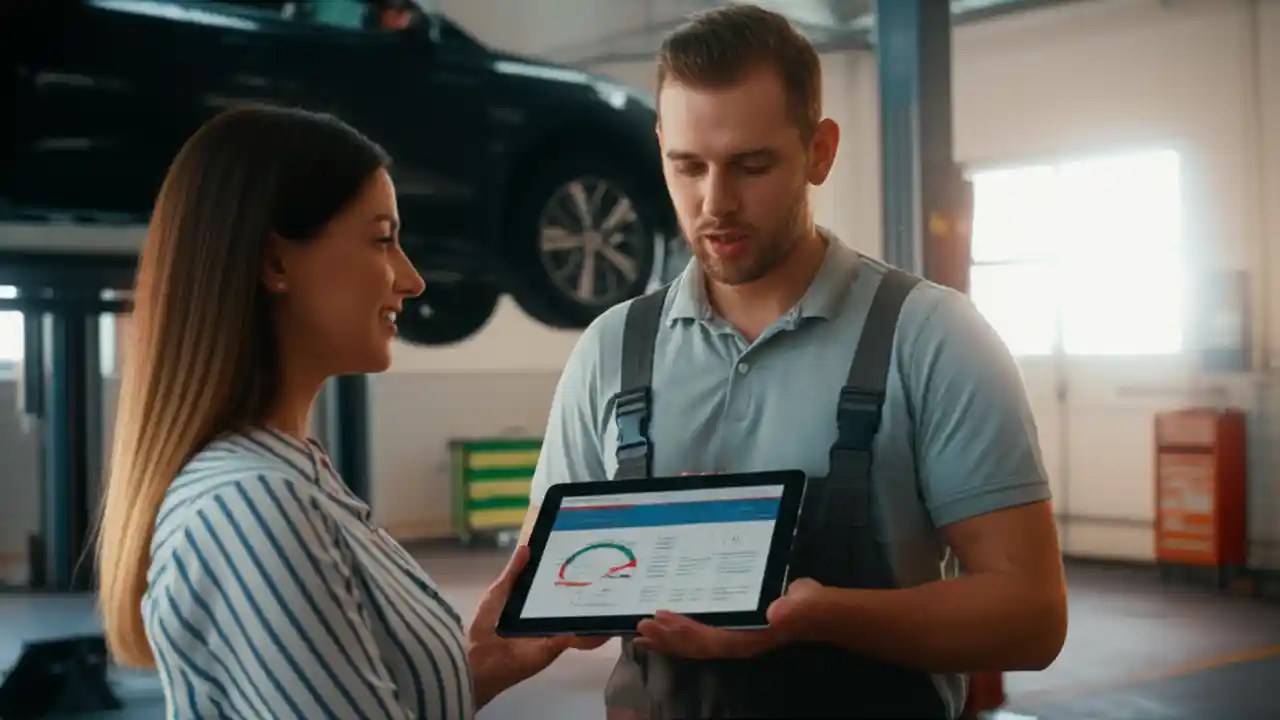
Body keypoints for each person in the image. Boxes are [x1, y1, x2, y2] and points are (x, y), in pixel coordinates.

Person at [521, 4, 1068, 719]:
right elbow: (548, 587)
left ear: (820, 150)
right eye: (687, 166)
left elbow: (1031, 616)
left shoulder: (931, 338)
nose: (715, 203)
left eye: (751, 165)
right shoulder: (612, 352)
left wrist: (820, 614)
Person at [95, 105, 598, 719]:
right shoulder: (254, 503)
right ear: (276, 263)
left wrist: (486, 660)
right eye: (382, 240)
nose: (410, 280)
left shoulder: (291, 476)